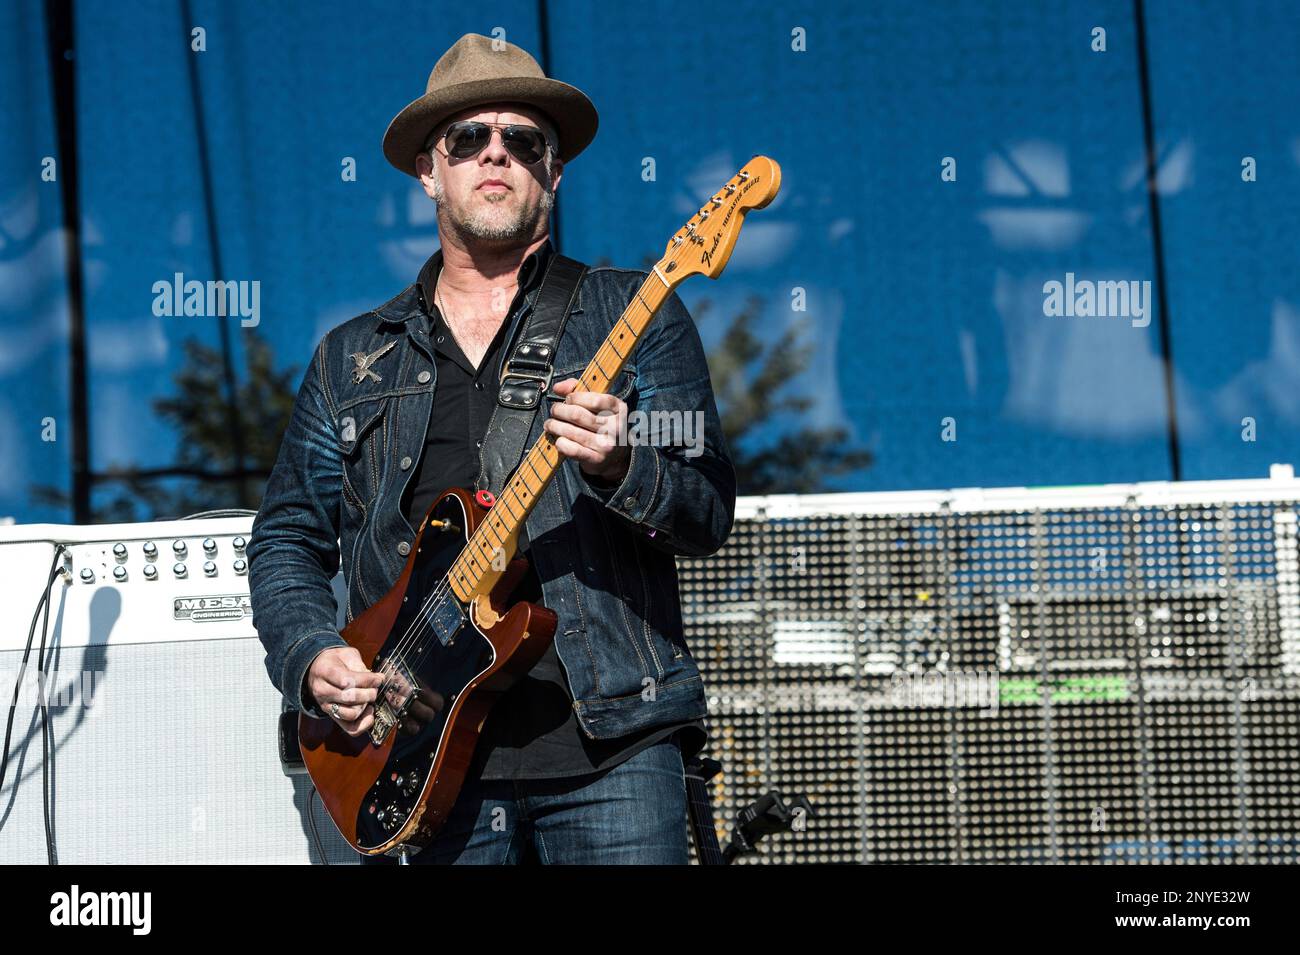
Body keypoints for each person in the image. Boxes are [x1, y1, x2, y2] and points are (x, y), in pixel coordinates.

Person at [247, 33, 736, 864]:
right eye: (469, 139)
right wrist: (310, 651)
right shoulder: (351, 356)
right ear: (429, 172)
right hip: (415, 761)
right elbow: (287, 537)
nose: (496, 154)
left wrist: (626, 464)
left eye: (524, 140)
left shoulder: (636, 315)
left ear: (554, 172)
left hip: (610, 752)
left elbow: (706, 508)